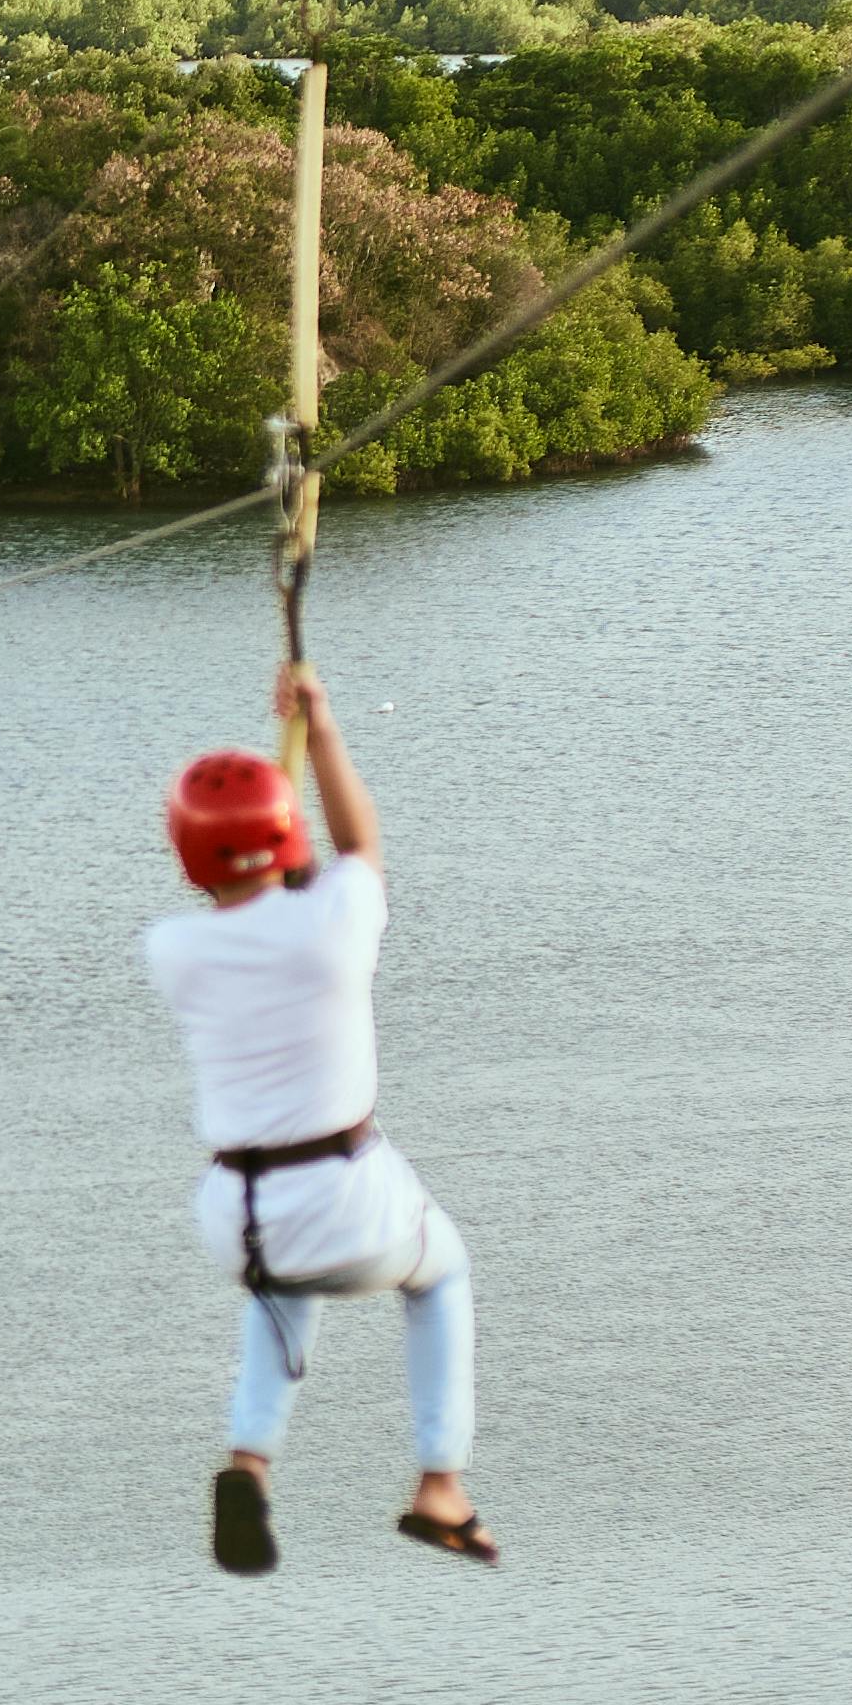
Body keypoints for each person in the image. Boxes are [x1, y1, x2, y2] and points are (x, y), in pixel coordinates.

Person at [140, 667, 486, 1572]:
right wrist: (320, 726)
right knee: (440, 1276)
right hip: (345, 1200)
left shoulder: (173, 951)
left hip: (235, 1214)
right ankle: (440, 1484)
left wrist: (272, 826)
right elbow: (358, 844)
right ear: (288, 840)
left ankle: (250, 1462)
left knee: (277, 1286)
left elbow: (265, 888)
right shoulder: (338, 919)